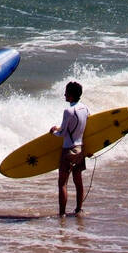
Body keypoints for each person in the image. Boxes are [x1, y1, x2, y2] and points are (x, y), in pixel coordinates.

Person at [50, 81, 88, 216]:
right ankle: (79, 209)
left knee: (62, 184)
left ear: (71, 96)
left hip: (68, 150)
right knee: (78, 181)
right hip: (80, 149)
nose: (64, 94)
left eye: (66, 92)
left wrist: (53, 132)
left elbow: (63, 133)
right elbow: (80, 127)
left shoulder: (68, 111)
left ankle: (62, 214)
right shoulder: (85, 108)